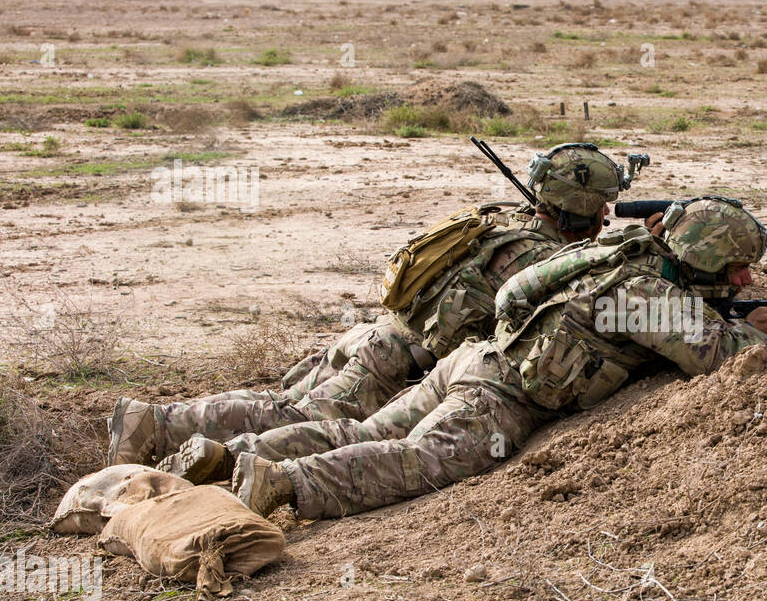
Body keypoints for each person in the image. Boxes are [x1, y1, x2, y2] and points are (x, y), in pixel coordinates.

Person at [211, 197, 767, 518]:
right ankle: (280, 482)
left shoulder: (619, 249)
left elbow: (517, 294)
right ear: (701, 257)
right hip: (499, 394)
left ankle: (230, 456)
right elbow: (720, 358)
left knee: (361, 428)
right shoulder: (646, 294)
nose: (744, 278)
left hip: (473, 359)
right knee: (422, 462)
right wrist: (756, 332)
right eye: (735, 267)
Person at [106, 143, 633, 473]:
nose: (606, 218)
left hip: (373, 335)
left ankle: (163, 427)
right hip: (392, 357)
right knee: (302, 415)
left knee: (285, 402)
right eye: (603, 206)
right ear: (580, 206)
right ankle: (159, 428)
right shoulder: (543, 257)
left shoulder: (501, 222)